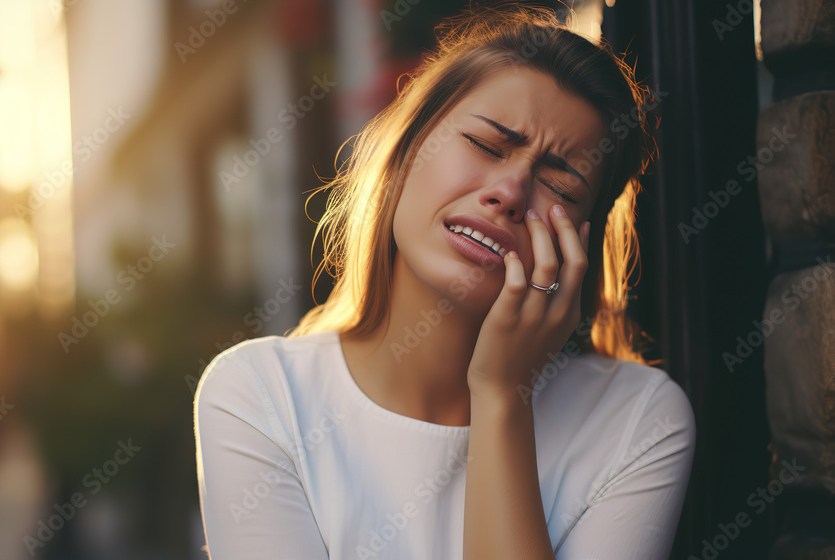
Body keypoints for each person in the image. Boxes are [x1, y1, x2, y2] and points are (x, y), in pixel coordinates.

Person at [194, 4, 696, 559]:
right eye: (486, 145)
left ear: (581, 240)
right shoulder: (260, 397)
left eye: (561, 183)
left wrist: (503, 395)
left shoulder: (637, 422)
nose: (509, 190)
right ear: (408, 150)